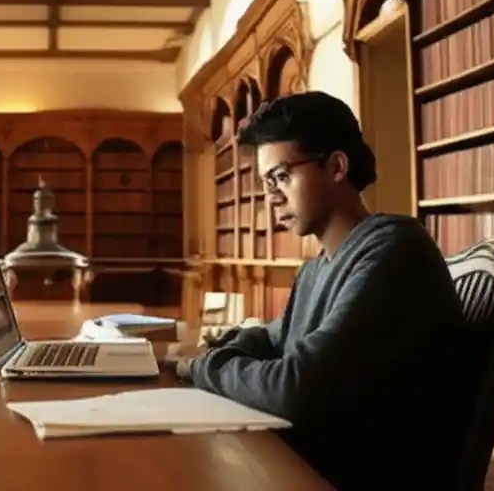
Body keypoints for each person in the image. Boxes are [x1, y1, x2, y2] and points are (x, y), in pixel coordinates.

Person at [176, 90, 467, 491]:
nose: (270, 197)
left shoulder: (393, 251)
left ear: (336, 166)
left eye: (281, 176)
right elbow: (271, 338)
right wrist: (223, 350)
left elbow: (295, 389)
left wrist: (203, 366)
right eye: (266, 182)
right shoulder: (317, 267)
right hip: (312, 464)